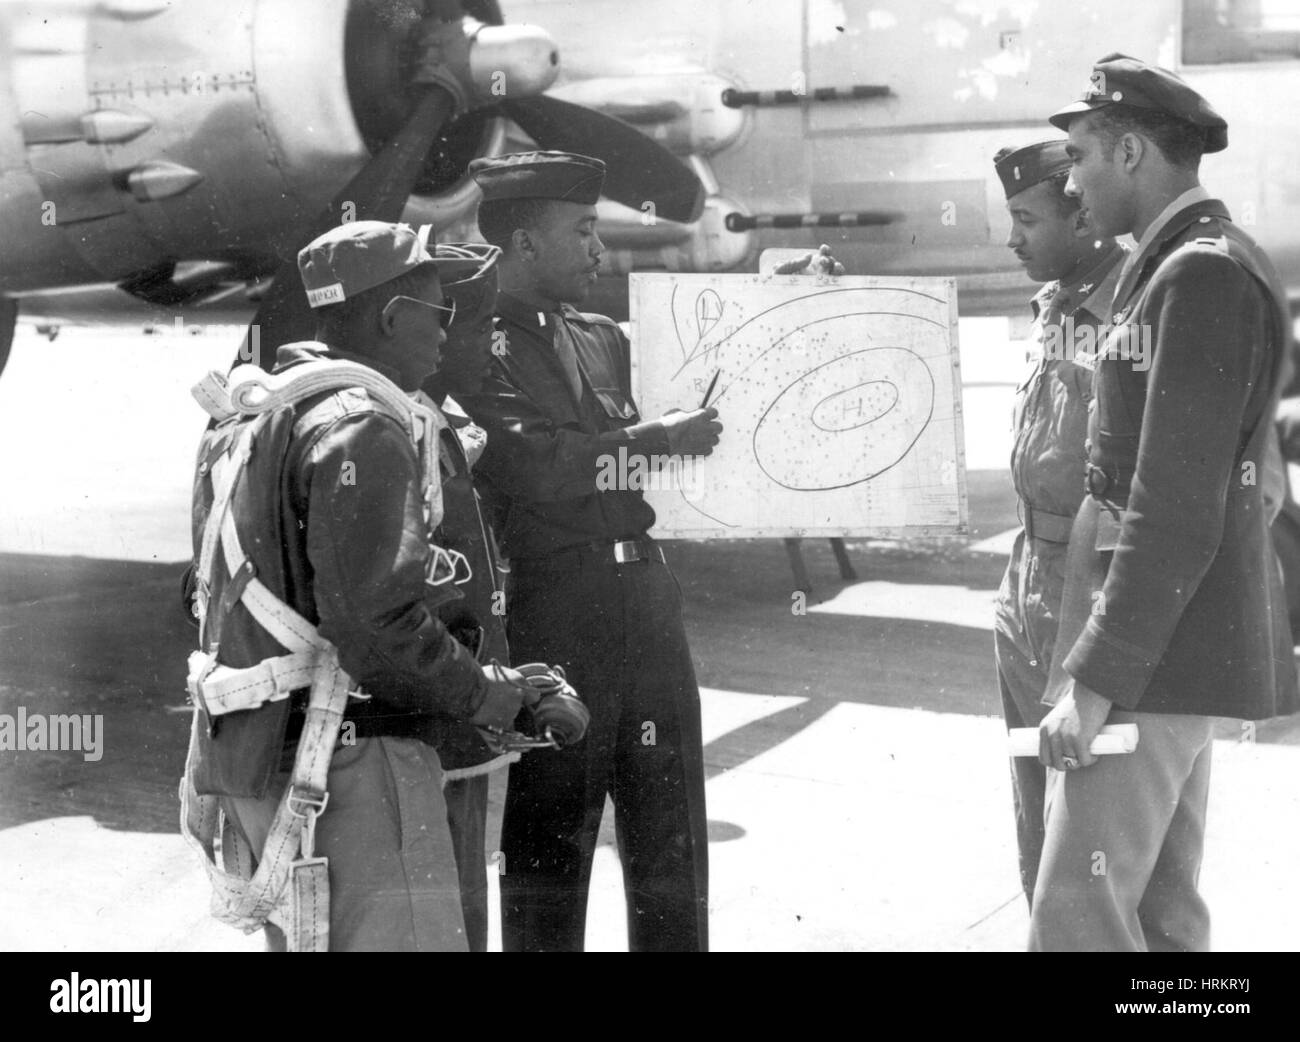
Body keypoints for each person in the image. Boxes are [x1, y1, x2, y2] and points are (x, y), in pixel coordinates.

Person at [182, 220, 535, 951]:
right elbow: (379, 626)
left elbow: (201, 592)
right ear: (390, 317)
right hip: (351, 766)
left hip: (259, 757)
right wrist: (492, 695)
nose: (447, 333)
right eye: (438, 314)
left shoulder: (243, 418)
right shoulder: (365, 425)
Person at [1033, 54, 1298, 951]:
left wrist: (1097, 683)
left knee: (1079, 923)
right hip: (1174, 653)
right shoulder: (1191, 266)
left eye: (1079, 156)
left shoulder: (1198, 276)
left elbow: (1173, 508)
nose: (1070, 181)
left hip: (1151, 663)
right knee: (1163, 922)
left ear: (1133, 151)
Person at [456, 150, 722, 952]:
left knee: (672, 833)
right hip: (558, 610)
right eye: (582, 231)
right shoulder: (475, 349)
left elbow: (709, 376)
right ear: (525, 244)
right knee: (551, 840)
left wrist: (789, 293)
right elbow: (539, 469)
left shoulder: (601, 337)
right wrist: (657, 441)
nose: (600, 249)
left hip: (646, 598)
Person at [989, 139, 1124, 908]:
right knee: (1035, 822)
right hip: (1025, 582)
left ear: (1084, 216)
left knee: (1092, 837)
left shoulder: (1129, 308)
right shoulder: (1056, 306)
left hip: (1085, 582)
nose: (1012, 239)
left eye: (1026, 219)